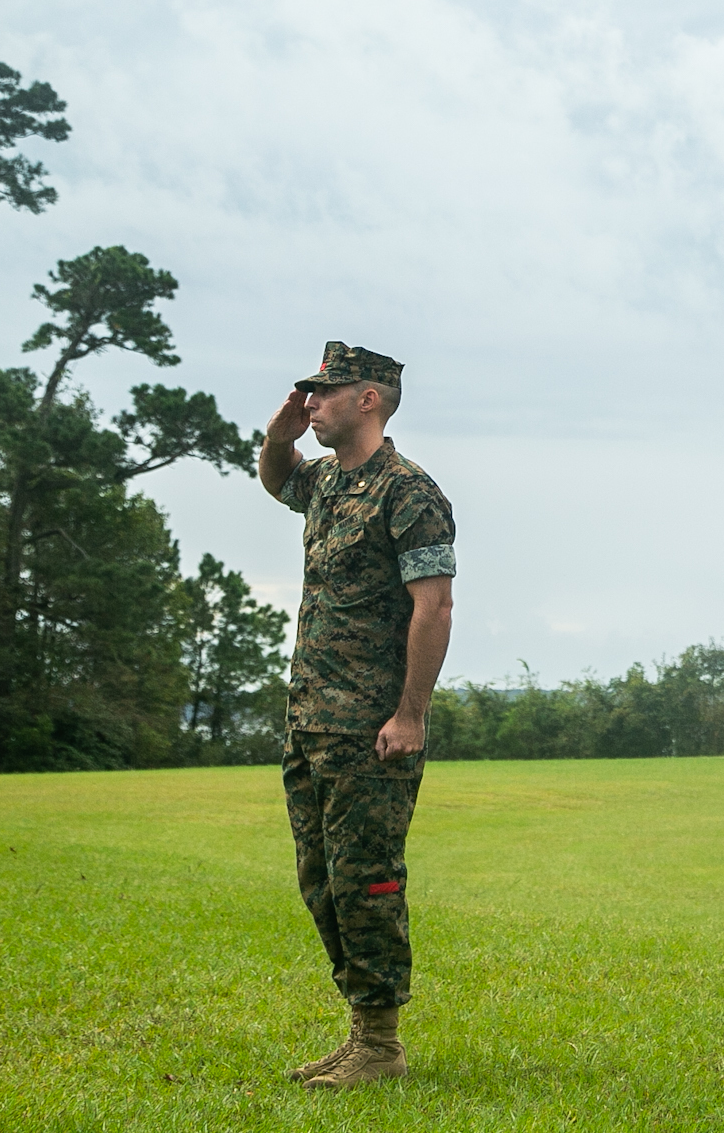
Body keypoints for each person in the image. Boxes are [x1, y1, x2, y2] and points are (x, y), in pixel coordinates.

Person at [259, 342, 457, 1091]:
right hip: (311, 722)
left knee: (367, 879)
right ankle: (360, 1033)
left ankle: (381, 1043)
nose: (310, 401)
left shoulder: (408, 492)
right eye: (307, 392)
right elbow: (278, 480)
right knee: (321, 880)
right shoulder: (330, 483)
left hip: (371, 731)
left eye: (323, 392)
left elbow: (433, 604)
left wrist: (410, 716)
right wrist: (280, 434)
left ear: (368, 399)